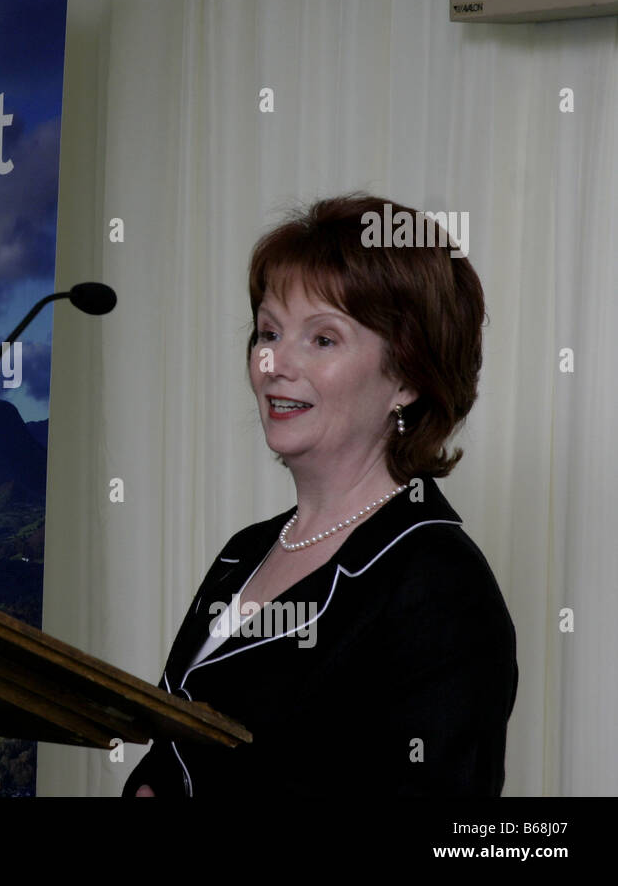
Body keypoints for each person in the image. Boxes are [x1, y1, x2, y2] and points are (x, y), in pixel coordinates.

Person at [124, 194, 517, 796]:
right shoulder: (244, 554)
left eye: (323, 339)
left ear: (408, 378)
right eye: (269, 332)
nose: (275, 362)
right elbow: (174, 758)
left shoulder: (440, 585)